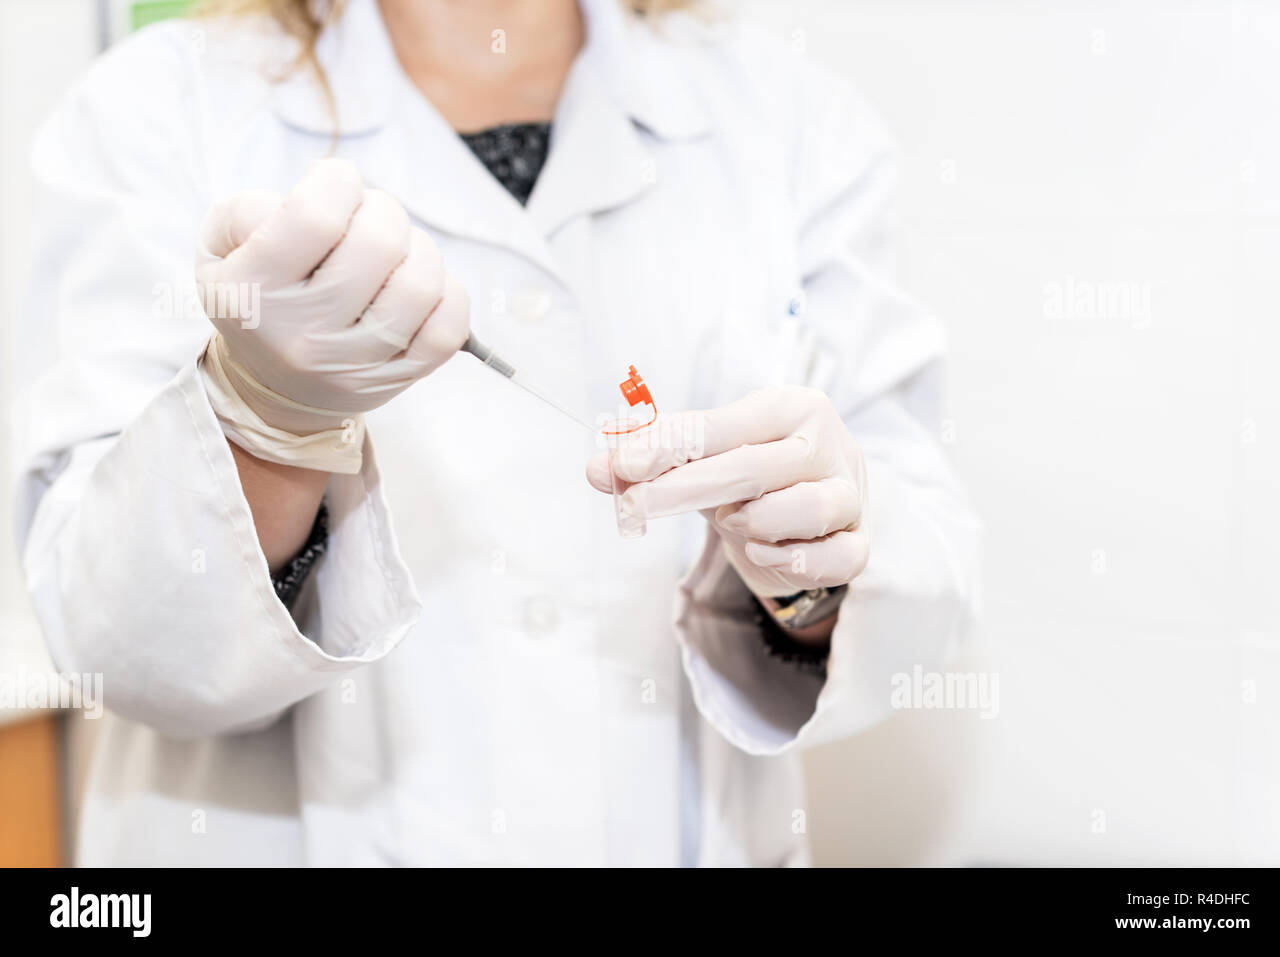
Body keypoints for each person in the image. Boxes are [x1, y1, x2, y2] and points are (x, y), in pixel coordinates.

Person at [14, 0, 980, 865]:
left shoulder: (786, 117)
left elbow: (917, 590)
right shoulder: (160, 107)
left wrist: (806, 582)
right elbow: (121, 645)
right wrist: (263, 420)